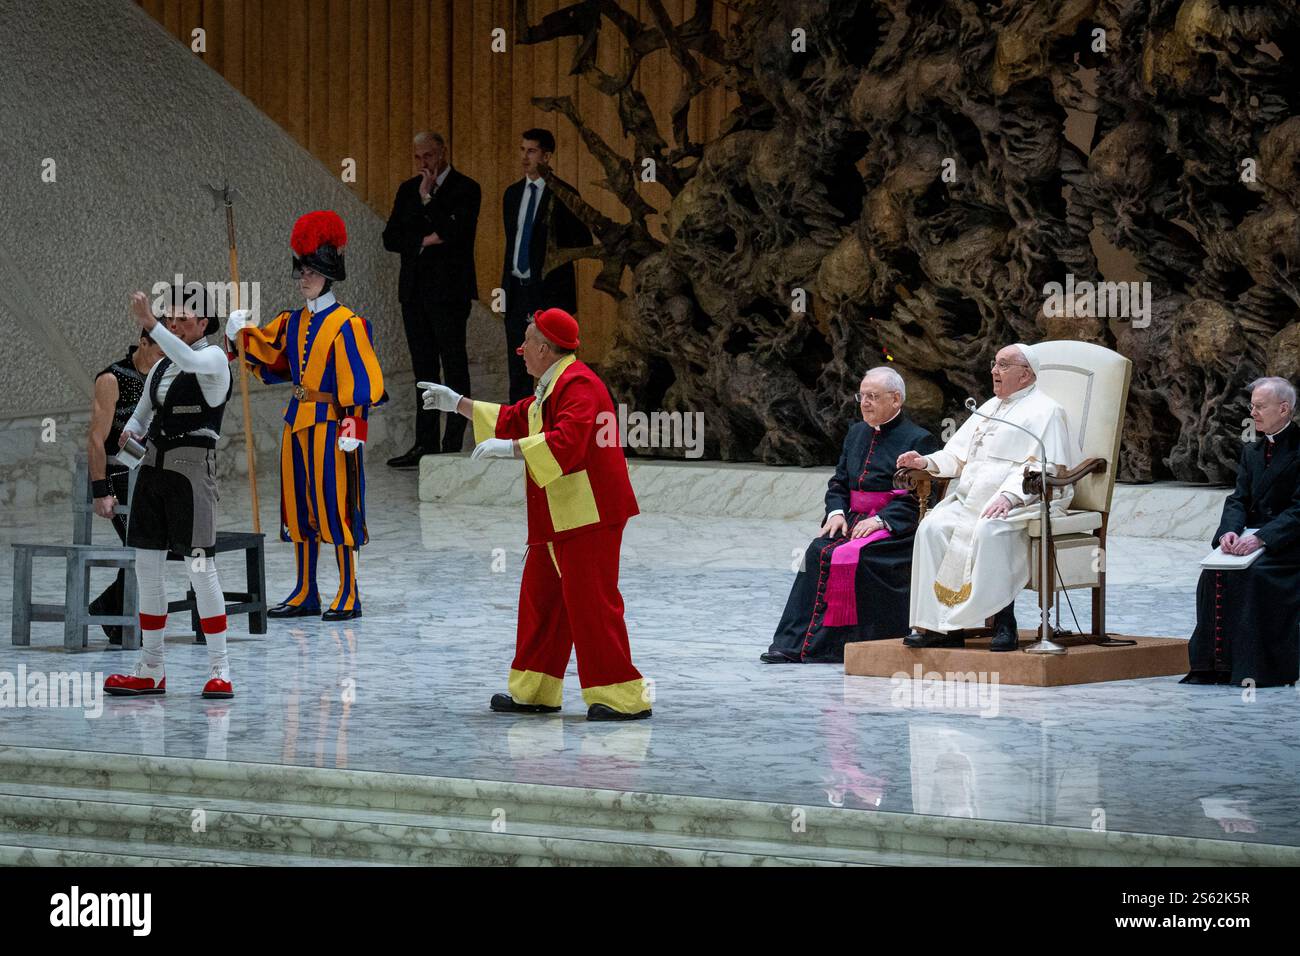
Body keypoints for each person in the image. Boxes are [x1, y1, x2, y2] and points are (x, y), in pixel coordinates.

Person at [422, 308, 649, 719]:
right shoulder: (556, 383)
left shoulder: (579, 385)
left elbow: (568, 442)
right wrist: (458, 404)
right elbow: (518, 417)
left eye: (526, 342)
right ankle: (535, 690)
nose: (520, 349)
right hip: (561, 516)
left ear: (545, 349)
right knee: (542, 603)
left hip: (588, 515)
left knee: (593, 604)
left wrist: (509, 449)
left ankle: (622, 696)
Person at [227, 210, 385, 622]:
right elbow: (268, 356)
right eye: (302, 271)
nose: (304, 278)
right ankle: (305, 590)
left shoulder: (348, 325)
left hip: (332, 427)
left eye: (312, 271)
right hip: (296, 423)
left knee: (336, 505)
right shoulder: (292, 321)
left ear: (328, 273)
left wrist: (354, 428)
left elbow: (360, 384)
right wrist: (236, 335)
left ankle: (348, 591)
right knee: (300, 508)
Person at [897, 343, 1077, 651]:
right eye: (995, 364)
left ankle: (1004, 621)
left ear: (1026, 374)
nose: (994, 370)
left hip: (1027, 499)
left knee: (989, 530)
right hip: (970, 498)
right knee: (931, 528)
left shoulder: (1047, 411)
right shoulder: (988, 409)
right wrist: (924, 462)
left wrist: (1009, 497)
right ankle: (941, 627)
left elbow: (1045, 465)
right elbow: (956, 455)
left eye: (1004, 365)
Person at [103, 286, 234, 698]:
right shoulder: (160, 370)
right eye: (169, 318)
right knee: (148, 570)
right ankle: (151, 667)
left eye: (182, 319)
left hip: (191, 474)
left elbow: (190, 358)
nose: (174, 324)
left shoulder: (212, 359)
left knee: (200, 570)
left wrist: (151, 325)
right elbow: (141, 417)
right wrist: (130, 436)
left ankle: (221, 668)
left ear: (205, 323)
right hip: (153, 473)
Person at [763, 367, 940, 663]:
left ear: (896, 399)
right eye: (862, 396)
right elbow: (839, 482)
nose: (864, 402)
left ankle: (849, 647)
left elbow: (921, 495)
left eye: (873, 396)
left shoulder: (919, 439)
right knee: (817, 551)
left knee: (863, 557)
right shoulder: (856, 433)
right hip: (853, 521)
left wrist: (881, 521)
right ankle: (793, 643)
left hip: (896, 530)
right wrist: (835, 512)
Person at [1183, 377, 1300, 687]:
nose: (1254, 413)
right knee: (1213, 573)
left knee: (1257, 575)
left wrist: (1261, 538)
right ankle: (1213, 666)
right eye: (1252, 406)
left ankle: (1256, 669)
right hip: (1251, 536)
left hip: (1287, 542)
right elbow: (1238, 499)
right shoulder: (1253, 450)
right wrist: (1228, 534)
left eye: (1260, 407)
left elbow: (1298, 510)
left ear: (1284, 408)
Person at [382, 131, 481, 466]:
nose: (424, 163)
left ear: (443, 153)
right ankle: (424, 442)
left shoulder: (466, 189)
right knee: (423, 369)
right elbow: (391, 237)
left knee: (453, 365)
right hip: (414, 292)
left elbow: (456, 234)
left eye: (430, 156)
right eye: (419, 157)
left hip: (450, 293)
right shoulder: (407, 189)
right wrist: (425, 239)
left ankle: (452, 440)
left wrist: (429, 201)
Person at [500, 128, 593, 402]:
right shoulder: (512, 194)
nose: (524, 157)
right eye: (522, 150)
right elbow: (513, 242)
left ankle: (554, 428)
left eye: (531, 151)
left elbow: (582, 240)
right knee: (517, 366)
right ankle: (515, 434)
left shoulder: (563, 194)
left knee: (553, 366)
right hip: (517, 289)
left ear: (547, 156)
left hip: (550, 293)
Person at [86, 328, 162, 644]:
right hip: (119, 475)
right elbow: (95, 438)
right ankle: (117, 613)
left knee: (154, 546)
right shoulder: (112, 379)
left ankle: (109, 605)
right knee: (143, 546)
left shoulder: (164, 376)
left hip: (151, 474)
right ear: (143, 343)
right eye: (160, 350)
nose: (165, 357)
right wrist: (101, 491)